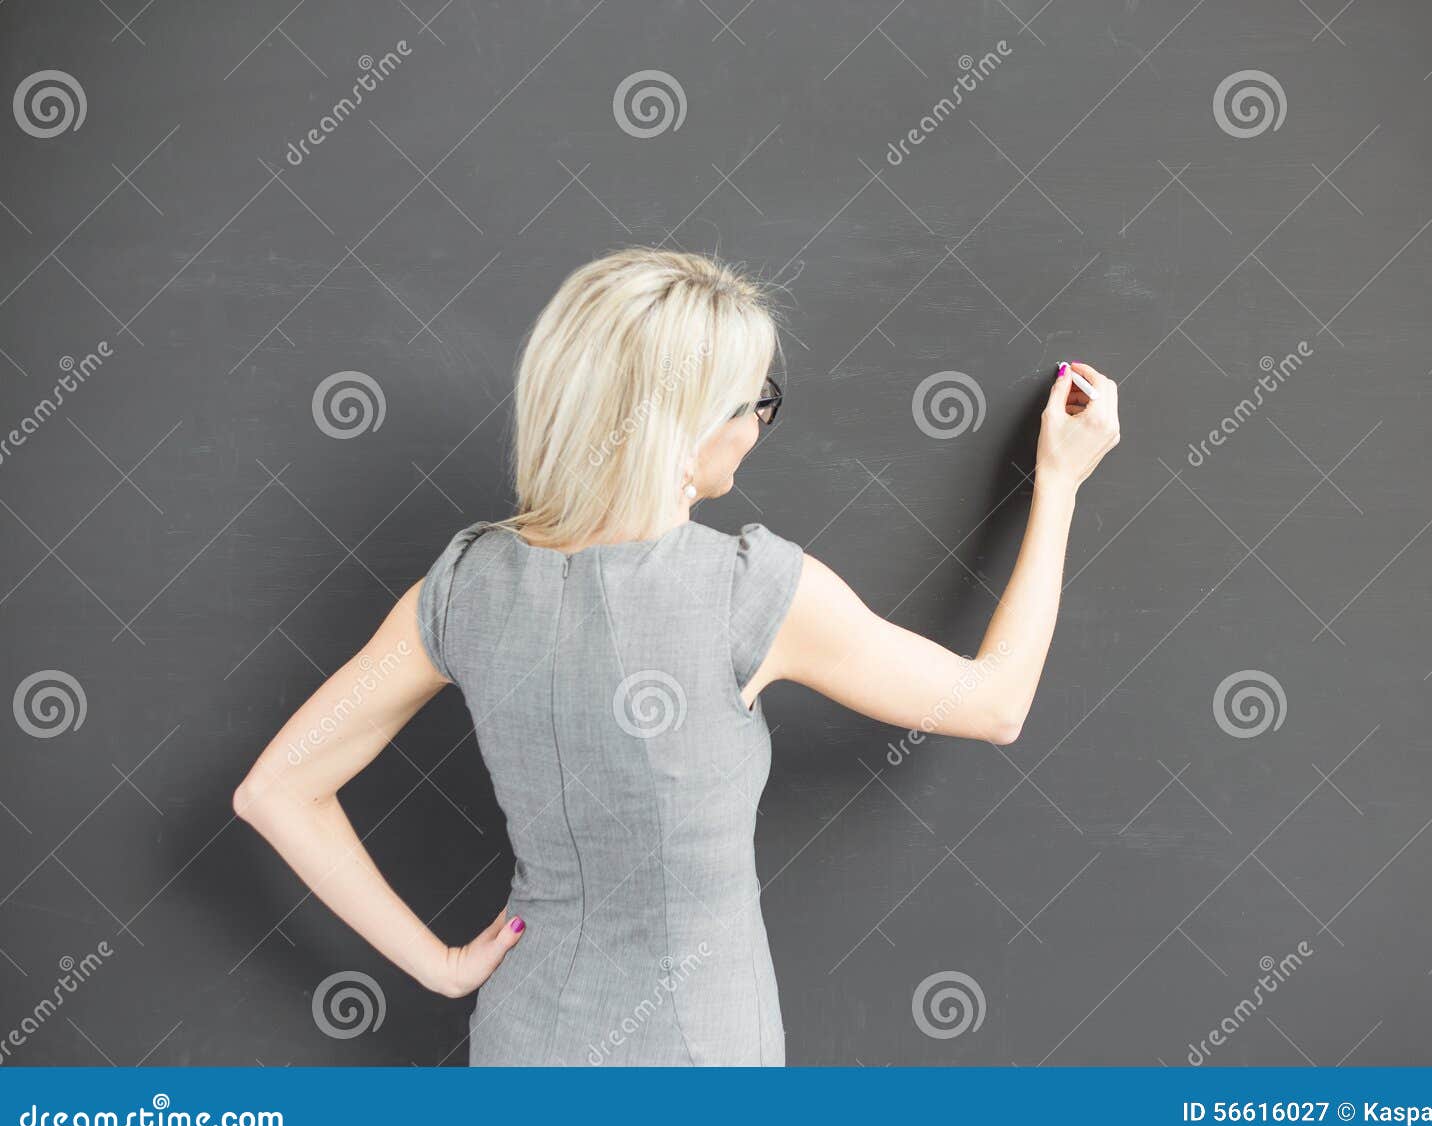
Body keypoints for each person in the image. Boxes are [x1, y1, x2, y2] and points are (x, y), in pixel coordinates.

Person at [233, 248, 1120, 1065]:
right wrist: (1061, 486)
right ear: (691, 426)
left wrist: (442, 967)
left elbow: (275, 788)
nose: (756, 429)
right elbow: (995, 703)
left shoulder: (465, 583)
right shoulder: (751, 592)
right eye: (753, 403)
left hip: (520, 1045)